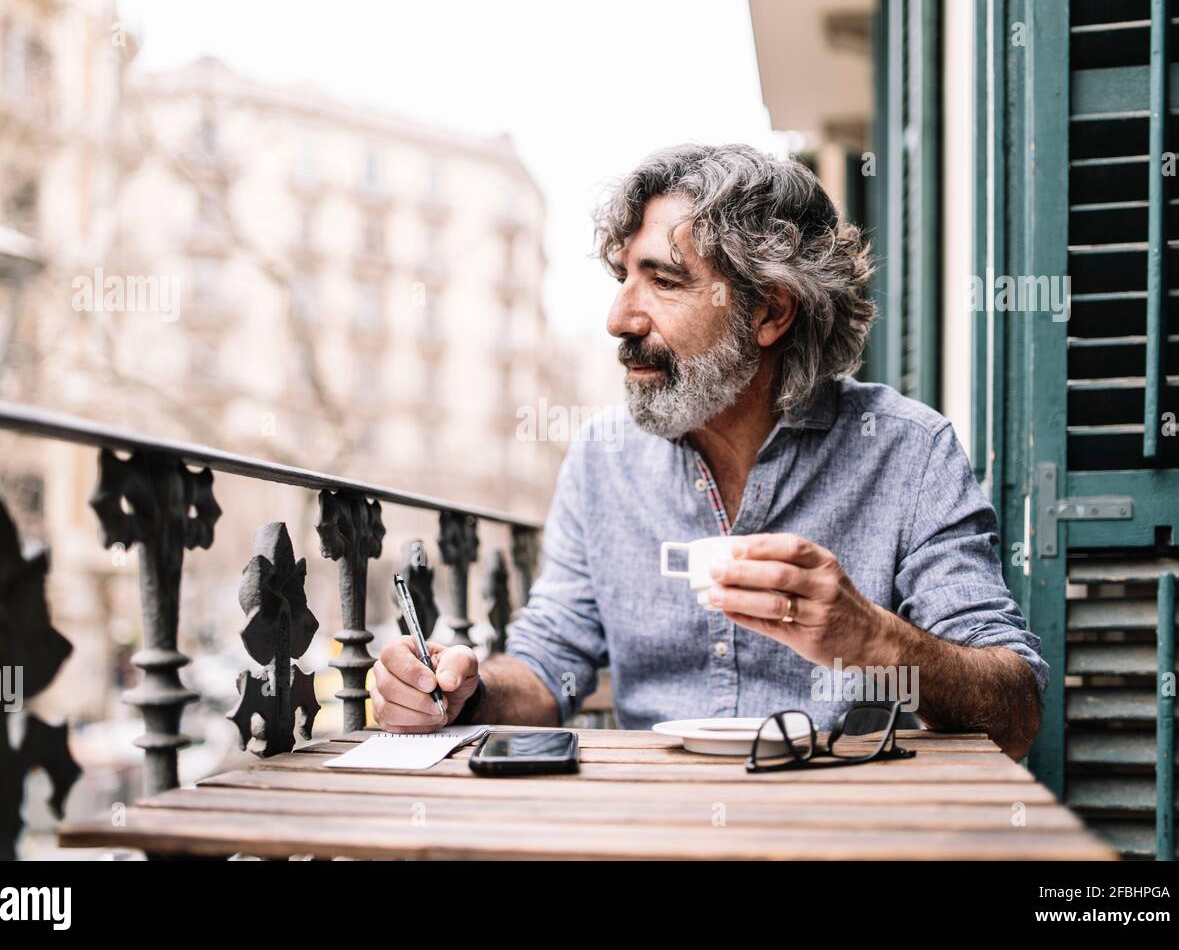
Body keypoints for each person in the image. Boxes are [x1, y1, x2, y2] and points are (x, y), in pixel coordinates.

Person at [369, 143, 1047, 760]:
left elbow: (1016, 712)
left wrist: (869, 638)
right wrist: (464, 689)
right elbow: (549, 664)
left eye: (663, 281)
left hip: (846, 828)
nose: (620, 319)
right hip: (656, 827)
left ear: (771, 313)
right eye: (622, 278)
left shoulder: (909, 453)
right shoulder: (603, 459)